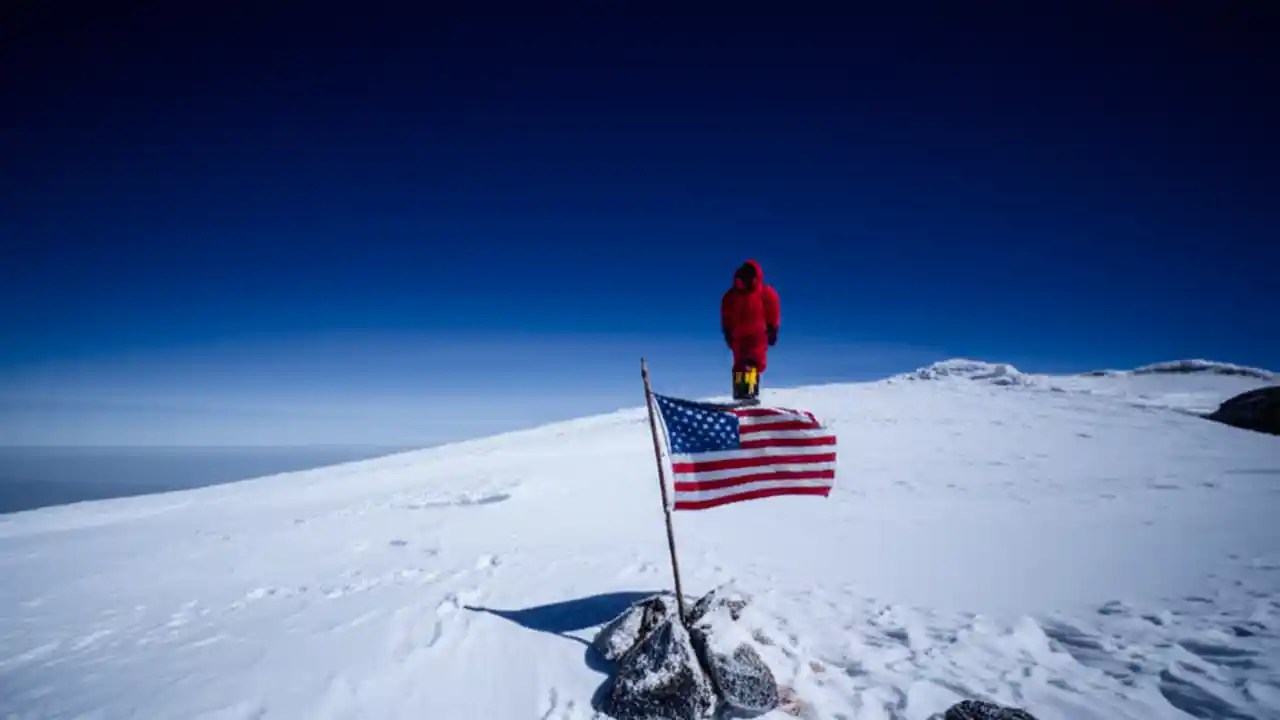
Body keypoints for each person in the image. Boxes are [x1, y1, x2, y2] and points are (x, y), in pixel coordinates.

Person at [720, 259, 780, 400]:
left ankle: (750, 394)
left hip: (757, 336)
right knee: (739, 366)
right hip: (739, 338)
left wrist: (773, 328)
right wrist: (727, 332)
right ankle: (740, 395)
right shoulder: (730, 296)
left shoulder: (766, 293)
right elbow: (726, 315)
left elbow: (773, 310)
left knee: (752, 363)